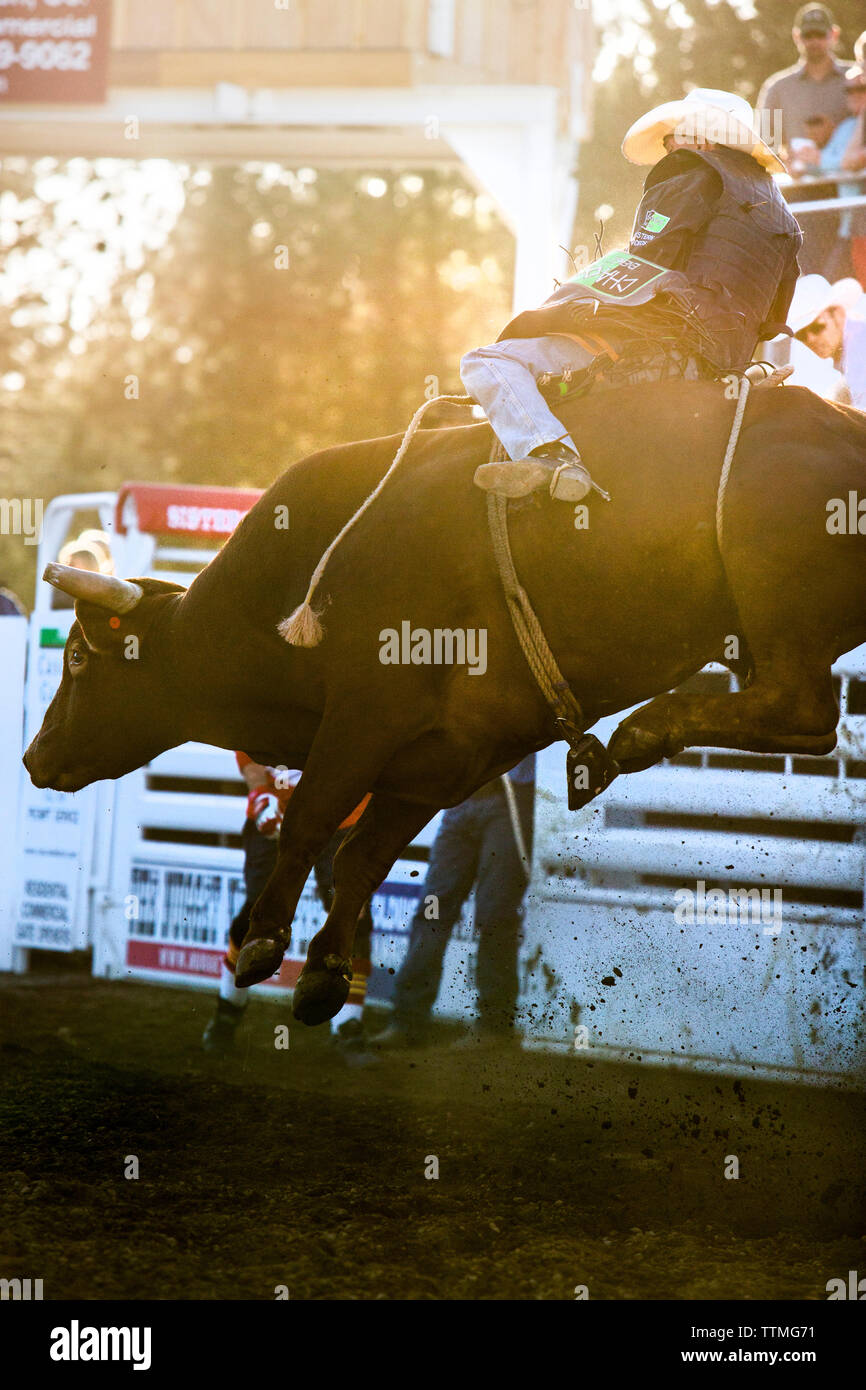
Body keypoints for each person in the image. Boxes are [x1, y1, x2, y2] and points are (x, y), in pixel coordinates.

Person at [465, 89, 802, 502]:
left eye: (673, 136)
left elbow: (646, 261)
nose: (667, 146)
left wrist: (566, 307)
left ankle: (552, 454)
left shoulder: (690, 170)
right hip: (725, 367)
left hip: (657, 348)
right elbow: (772, 321)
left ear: (702, 138)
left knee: (486, 360)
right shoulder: (783, 214)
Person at [202, 755, 374, 1060]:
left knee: (352, 914)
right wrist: (259, 791)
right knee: (258, 914)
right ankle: (227, 1011)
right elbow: (247, 739)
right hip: (279, 811)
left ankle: (348, 1028)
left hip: (343, 812)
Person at [373, 755, 536, 1050]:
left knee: (495, 913)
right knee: (433, 909)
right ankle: (408, 1020)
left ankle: (494, 1027)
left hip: (507, 800)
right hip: (463, 801)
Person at [756, 5, 850, 158]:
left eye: (820, 34)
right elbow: (766, 146)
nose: (814, 41)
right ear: (796, 36)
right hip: (799, 180)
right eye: (808, 35)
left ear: (834, 34)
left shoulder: (856, 79)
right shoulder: (778, 88)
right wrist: (789, 161)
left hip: (853, 180)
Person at [786, 271, 866, 406]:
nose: (810, 339)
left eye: (817, 327)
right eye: (801, 335)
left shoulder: (859, 349)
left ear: (839, 314)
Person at [816, 66, 866, 280]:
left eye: (861, 88)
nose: (854, 95)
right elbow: (827, 162)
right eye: (849, 90)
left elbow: (849, 162)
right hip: (853, 228)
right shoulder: (848, 127)